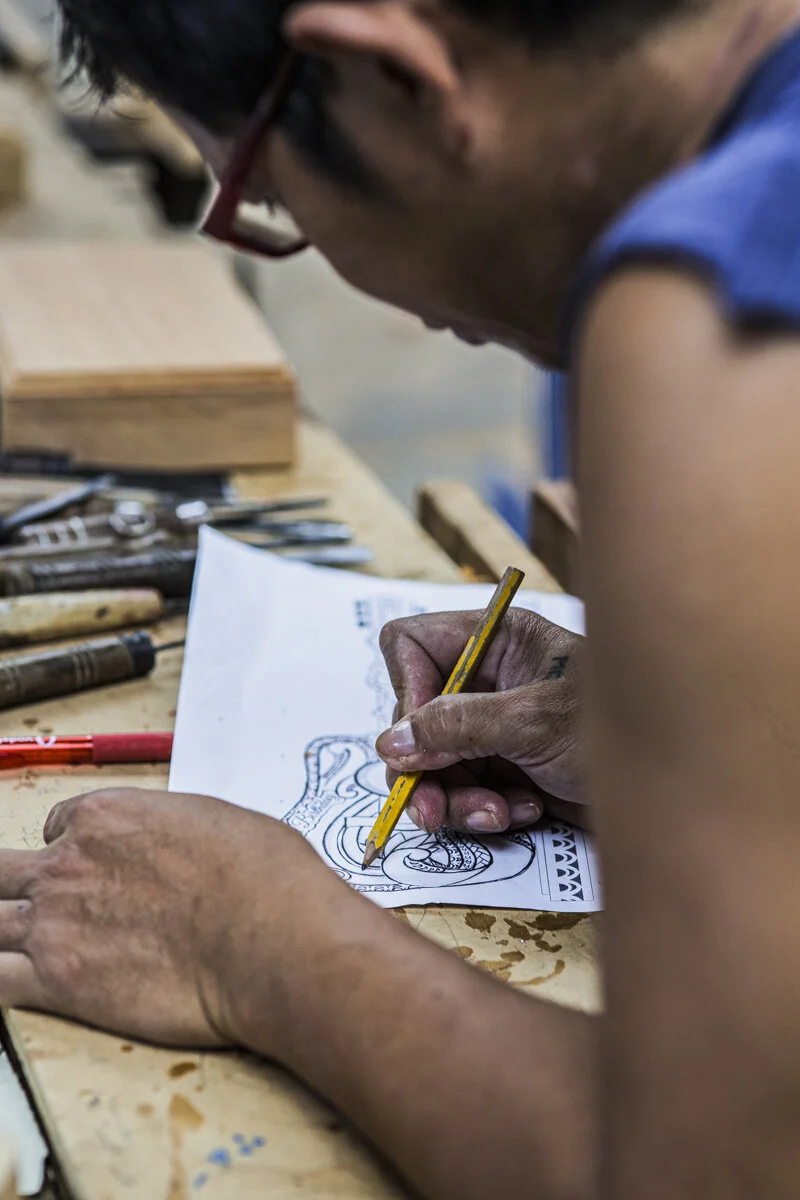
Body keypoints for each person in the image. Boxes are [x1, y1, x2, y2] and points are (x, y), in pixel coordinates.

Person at [4, 0, 800, 1194]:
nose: (373, 298)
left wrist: (260, 945)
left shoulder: (714, 312)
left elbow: (703, 1173)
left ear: (399, 78)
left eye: (267, 206)